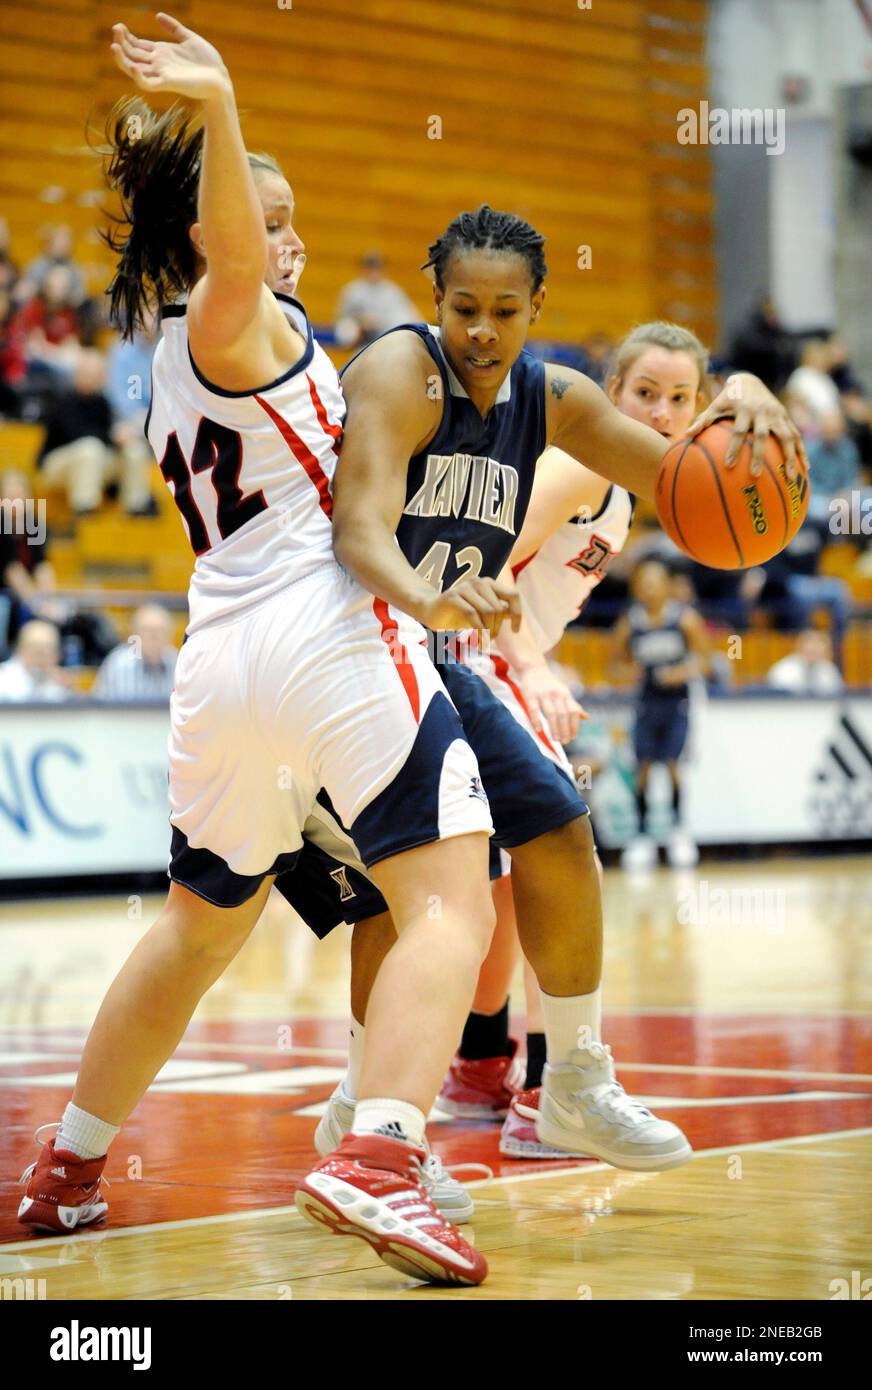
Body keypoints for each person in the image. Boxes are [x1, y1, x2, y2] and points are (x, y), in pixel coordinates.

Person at [18, 15, 508, 1289]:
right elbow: (234, 248)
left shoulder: (191, 355)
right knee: (450, 898)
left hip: (221, 657)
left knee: (194, 932)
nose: (282, 235)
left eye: (290, 217)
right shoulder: (225, 316)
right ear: (215, 227)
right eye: (262, 212)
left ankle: (68, 1168)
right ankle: (383, 1158)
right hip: (322, 637)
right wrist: (221, 100)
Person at [274, 210, 798, 1192]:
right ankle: (377, 1110)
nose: (480, 328)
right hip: (366, 645)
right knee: (414, 895)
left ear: (535, 312)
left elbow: (704, 495)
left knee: (554, 828)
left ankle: (563, 1079)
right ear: (434, 304)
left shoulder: (565, 416)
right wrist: (523, 653)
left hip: (442, 650)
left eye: (503, 310)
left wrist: (750, 391)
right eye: (463, 308)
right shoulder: (440, 394)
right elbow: (378, 535)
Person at [611, 559, 709, 871]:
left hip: (677, 703)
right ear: (636, 586)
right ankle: (641, 836)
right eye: (644, 581)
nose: (649, 587)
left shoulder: (685, 619)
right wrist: (631, 672)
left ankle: (679, 832)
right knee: (641, 768)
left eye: (655, 580)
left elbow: (707, 661)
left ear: (668, 585)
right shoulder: (630, 622)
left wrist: (680, 672)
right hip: (645, 704)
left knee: (672, 766)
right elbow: (614, 666)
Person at [334, 250, 419, 348]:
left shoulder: (392, 290)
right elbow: (342, 318)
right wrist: (360, 321)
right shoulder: (353, 290)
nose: (374, 272)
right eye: (370, 267)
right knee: (347, 330)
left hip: (387, 335)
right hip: (363, 339)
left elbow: (410, 314)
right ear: (364, 269)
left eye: (377, 268)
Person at [93, 603, 178, 700]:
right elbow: (99, 705)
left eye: (160, 631)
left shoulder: (177, 662)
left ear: (170, 635)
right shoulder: (117, 663)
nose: (154, 637)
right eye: (147, 631)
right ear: (135, 635)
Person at [0, 619, 69, 702]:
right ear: (19, 650)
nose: (41, 657)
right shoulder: (3, 678)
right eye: (36, 649)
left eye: (49, 649)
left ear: (57, 655)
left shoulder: (61, 683)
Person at [767, 628, 844, 695]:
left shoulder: (828, 668)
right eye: (811, 646)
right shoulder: (784, 669)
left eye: (818, 646)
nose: (814, 649)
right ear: (800, 647)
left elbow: (836, 693)